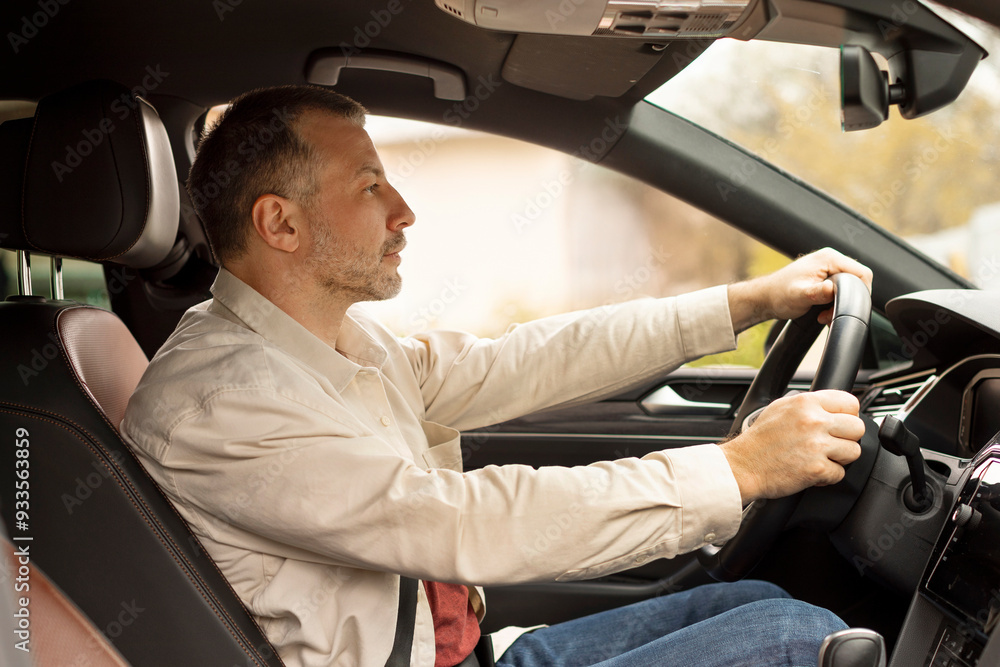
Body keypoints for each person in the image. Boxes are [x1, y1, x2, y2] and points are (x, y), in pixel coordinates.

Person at [122, 85, 873, 667]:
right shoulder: (222, 403)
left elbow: (521, 360)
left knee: (758, 600)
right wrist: (736, 467)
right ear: (280, 224)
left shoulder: (332, 344)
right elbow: (461, 521)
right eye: (369, 186)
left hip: (464, 650)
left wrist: (741, 304)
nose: (404, 211)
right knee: (792, 638)